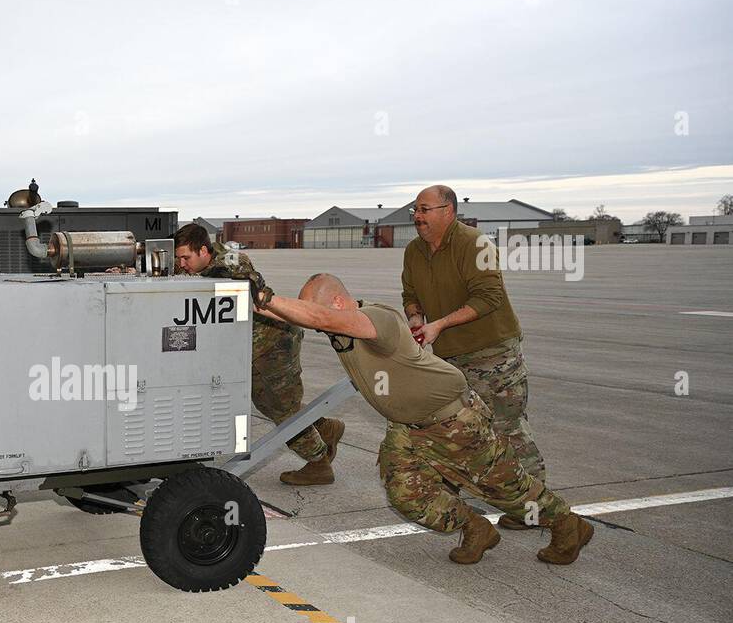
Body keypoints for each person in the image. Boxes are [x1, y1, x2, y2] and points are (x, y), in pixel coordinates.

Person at [254, 273, 592, 565]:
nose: (312, 322)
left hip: (453, 419)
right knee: (405, 494)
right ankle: (475, 529)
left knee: (508, 490)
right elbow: (300, 318)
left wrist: (267, 295)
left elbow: (320, 319)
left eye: (317, 311)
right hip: (407, 427)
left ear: (338, 302)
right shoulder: (339, 327)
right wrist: (249, 299)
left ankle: (567, 526)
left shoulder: (377, 318)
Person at [401, 185, 546, 530]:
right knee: (460, 429)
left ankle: (536, 506)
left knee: (506, 427)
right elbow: (409, 292)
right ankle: (464, 498)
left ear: (448, 210)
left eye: (425, 209)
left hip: (493, 352)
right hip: (450, 358)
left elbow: (488, 297)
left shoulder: (475, 243)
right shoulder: (414, 251)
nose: (418, 217)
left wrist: (440, 324)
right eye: (415, 211)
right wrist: (416, 320)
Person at [172, 223, 342, 486]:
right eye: (178, 259)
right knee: (267, 403)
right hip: (248, 347)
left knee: (280, 409)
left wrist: (208, 277)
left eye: (186, 258)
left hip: (275, 342)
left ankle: (319, 463)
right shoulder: (194, 266)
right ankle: (323, 428)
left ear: (204, 251)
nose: (181, 264)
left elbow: (245, 276)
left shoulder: (231, 260)